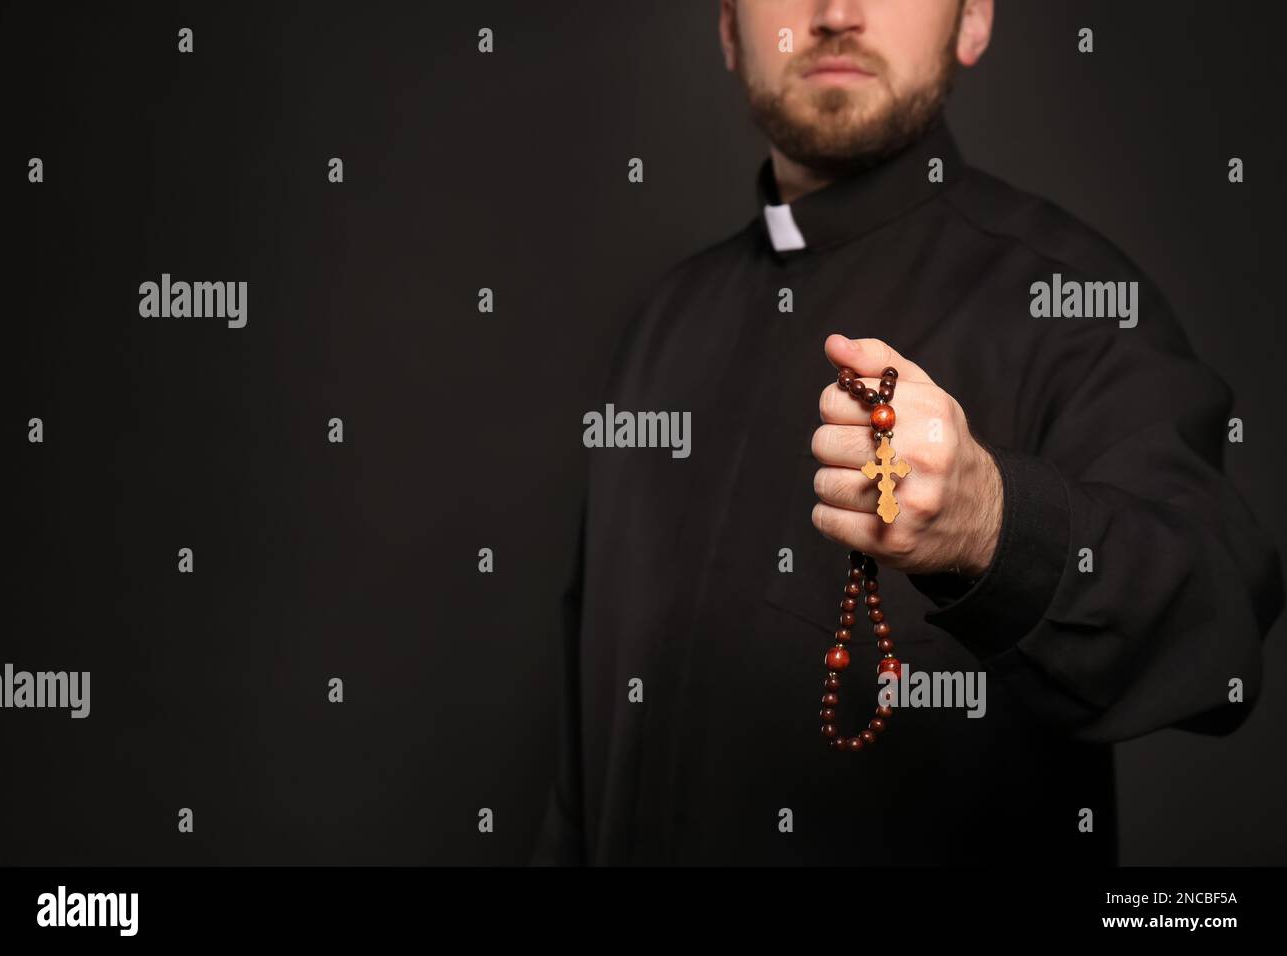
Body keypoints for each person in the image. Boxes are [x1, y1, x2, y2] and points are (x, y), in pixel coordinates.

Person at [532, 0, 1283, 865]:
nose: (836, 13)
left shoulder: (1075, 303)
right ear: (731, 30)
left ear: (972, 23)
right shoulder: (659, 325)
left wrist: (993, 526)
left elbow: (1219, 625)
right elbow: (585, 758)